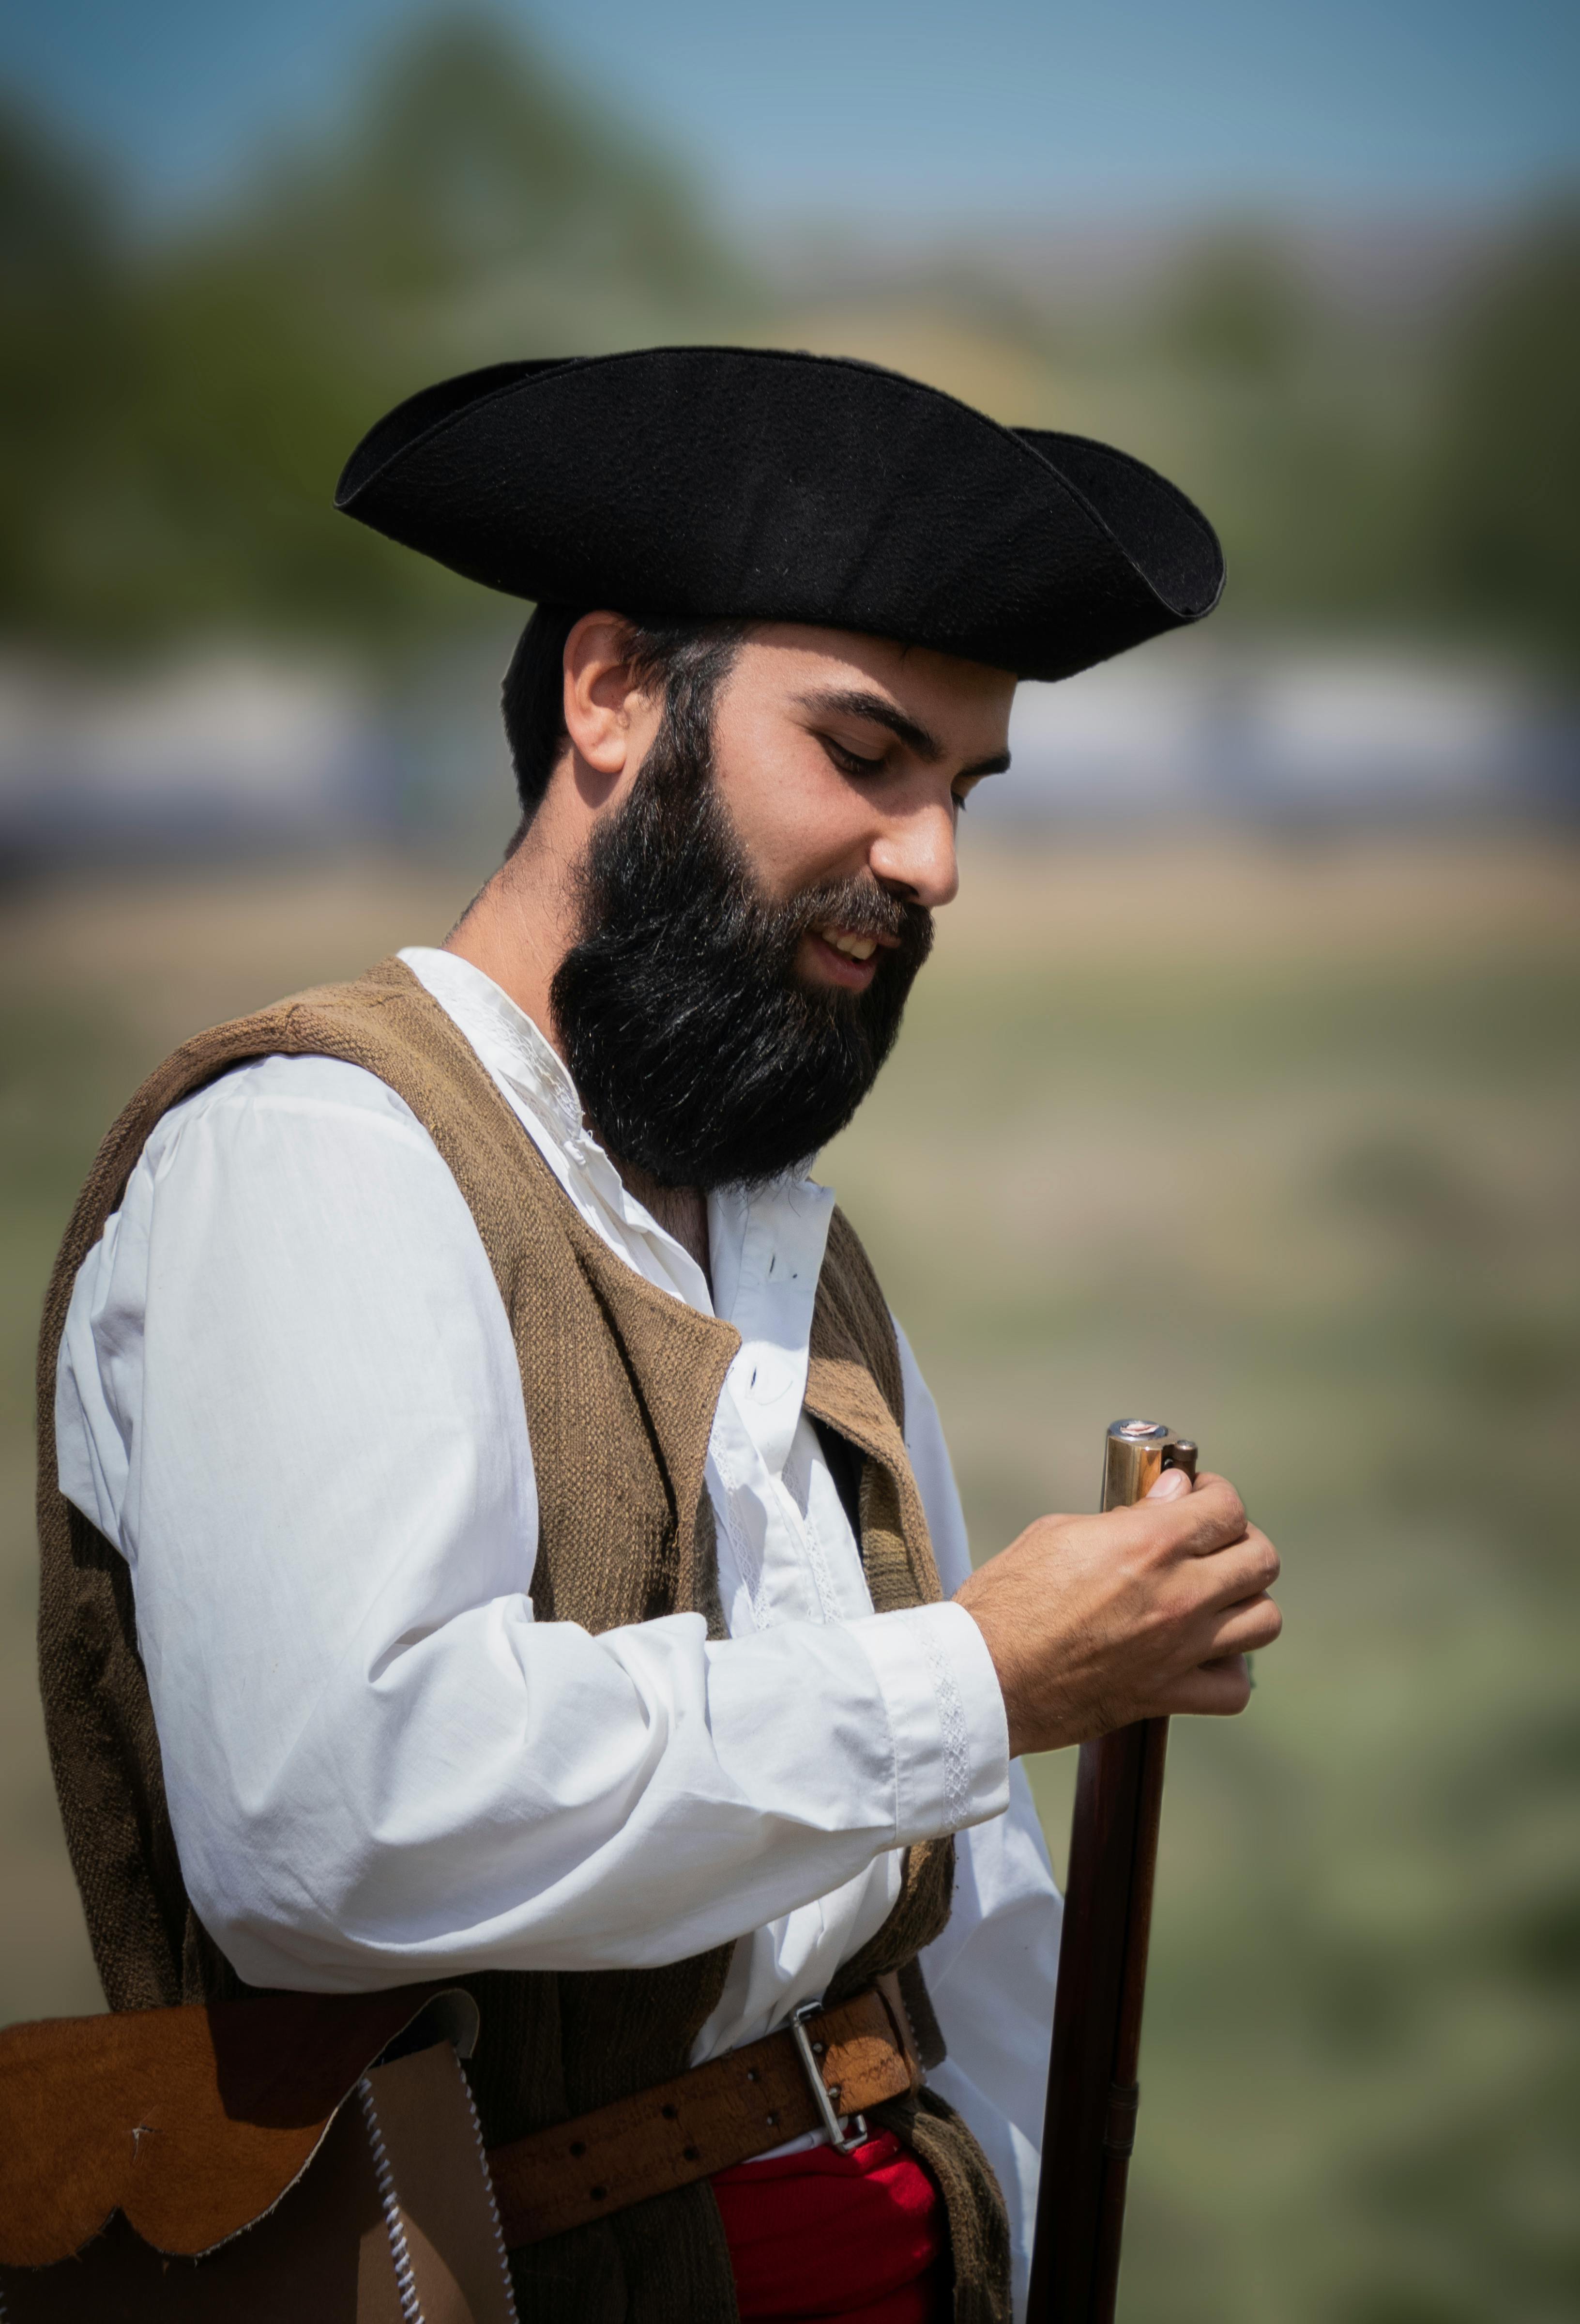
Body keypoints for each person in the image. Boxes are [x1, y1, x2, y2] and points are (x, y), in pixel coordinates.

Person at [39, 348, 1282, 2324]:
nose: (933, 861)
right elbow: (338, 1818)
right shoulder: (316, 1152)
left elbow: (976, 1909)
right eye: (867, 756)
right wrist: (977, 1676)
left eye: (962, 791)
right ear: (612, 693)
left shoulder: (803, 1242)